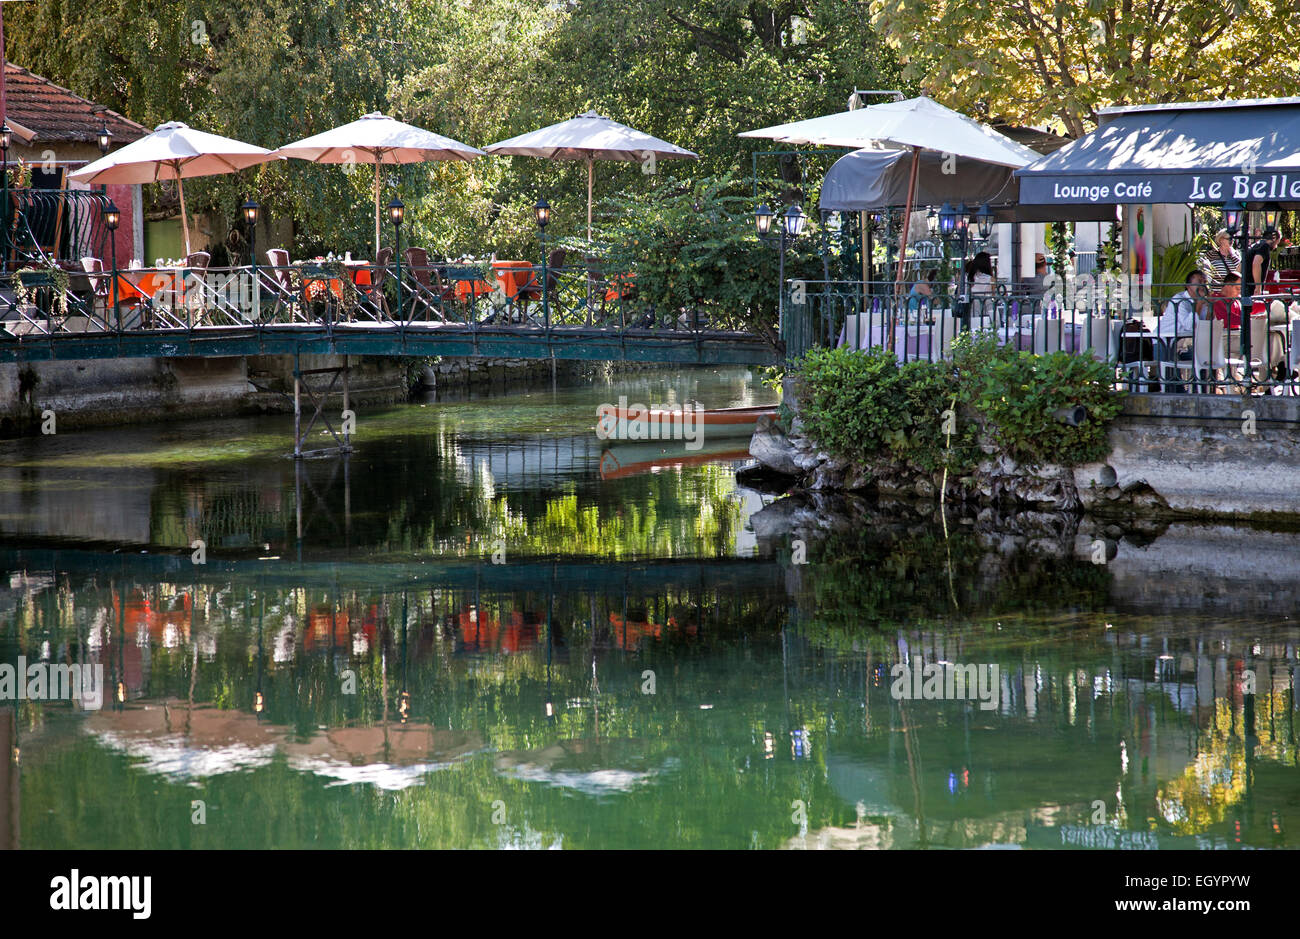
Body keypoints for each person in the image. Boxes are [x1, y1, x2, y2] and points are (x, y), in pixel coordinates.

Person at [1158, 270, 1208, 339]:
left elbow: (1205, 324)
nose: (1203, 285)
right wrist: (1199, 305)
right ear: (1188, 286)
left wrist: (1211, 307)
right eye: (1199, 282)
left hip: (1182, 343)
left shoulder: (1202, 300)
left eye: (1205, 282)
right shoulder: (1178, 300)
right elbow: (1189, 326)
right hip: (1165, 343)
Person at [1243, 229, 1281, 299]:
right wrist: (1258, 287)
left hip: (1245, 287)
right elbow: (1256, 263)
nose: (1276, 246)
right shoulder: (1264, 246)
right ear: (1274, 238)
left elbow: (1240, 266)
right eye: (1277, 242)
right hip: (1252, 289)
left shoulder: (1254, 246)